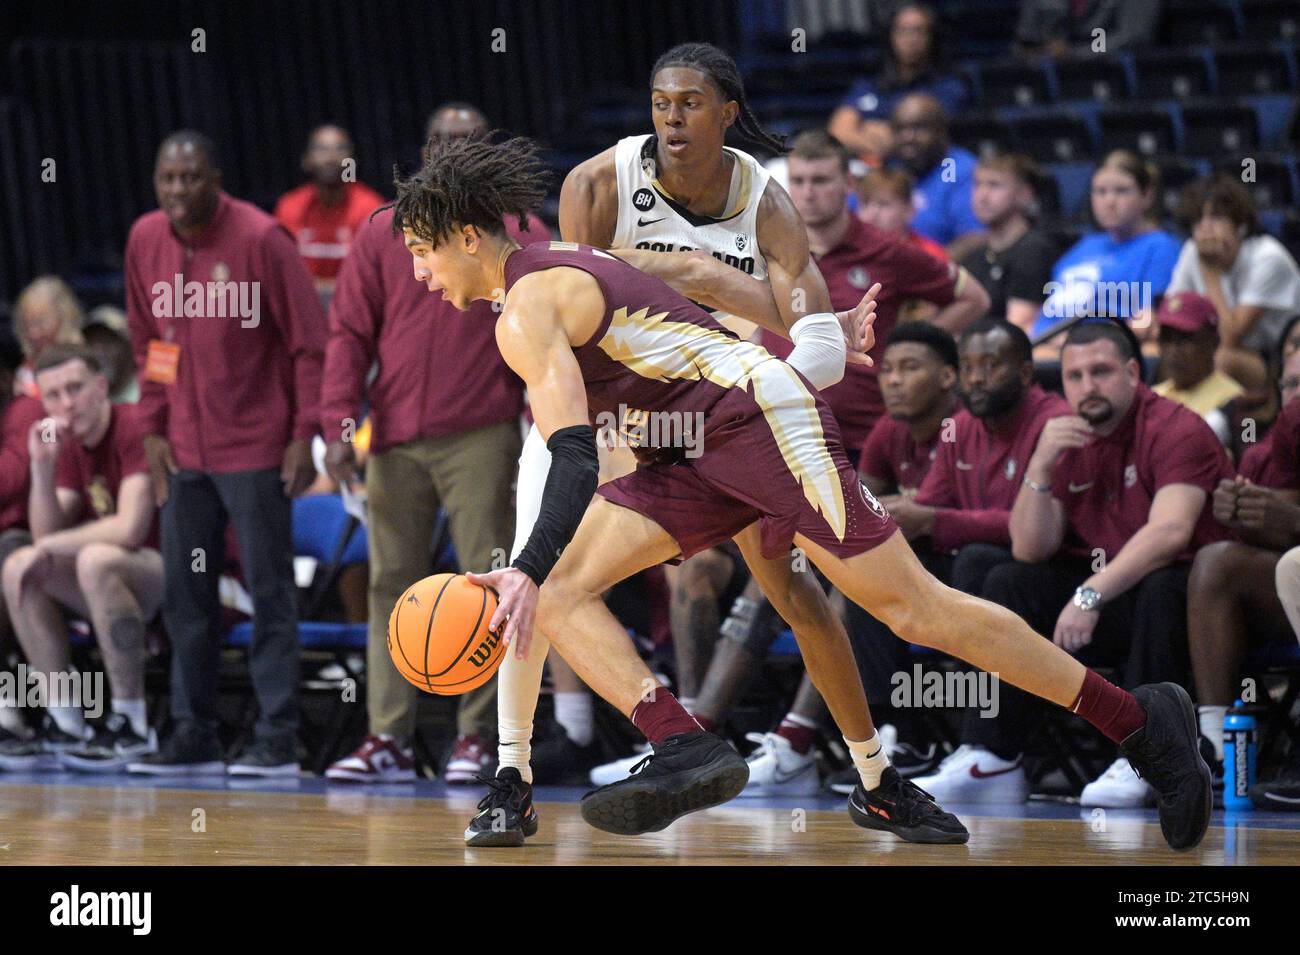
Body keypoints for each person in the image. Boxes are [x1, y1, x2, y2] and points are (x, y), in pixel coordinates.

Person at [398, 133, 1212, 852]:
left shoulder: (526, 307)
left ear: (467, 235)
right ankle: (690, 742)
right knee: (569, 590)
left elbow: (574, 455)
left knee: (913, 608)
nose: (418, 273)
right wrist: (813, 326)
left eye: (422, 253)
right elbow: (695, 280)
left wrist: (523, 564)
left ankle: (1138, 722)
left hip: (755, 421)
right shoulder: (571, 266)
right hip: (693, 448)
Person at [474, 42, 947, 843]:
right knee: (534, 566)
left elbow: (803, 333)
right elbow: (569, 297)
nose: (671, 118)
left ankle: (874, 776)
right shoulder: (597, 183)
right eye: (661, 103)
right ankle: (511, 775)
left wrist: (744, 294)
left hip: (728, 419)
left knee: (797, 594)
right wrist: (684, 275)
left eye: (689, 103)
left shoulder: (765, 198)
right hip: (600, 416)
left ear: (726, 110)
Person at [914, 321, 1230, 808]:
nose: (1087, 386)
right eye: (1075, 376)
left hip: (1190, 609)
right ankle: (993, 756)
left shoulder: (1177, 427)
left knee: (1163, 585)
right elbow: (1029, 548)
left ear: (1132, 372)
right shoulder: (1067, 438)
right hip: (1111, 600)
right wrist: (1040, 466)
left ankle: (1148, 751)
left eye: (1101, 372)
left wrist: (1089, 594)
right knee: (1005, 578)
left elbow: (1171, 533)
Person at [321, 103, 544, 785]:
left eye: (466, 142)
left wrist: (539, 412)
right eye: (442, 141)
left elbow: (546, 328)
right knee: (390, 581)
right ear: (425, 150)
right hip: (392, 435)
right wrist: (337, 421)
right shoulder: (383, 232)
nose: (451, 152)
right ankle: (387, 736)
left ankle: (479, 735)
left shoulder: (518, 233)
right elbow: (349, 334)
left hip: (481, 431)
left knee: (487, 580)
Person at [124, 131, 326, 778]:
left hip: (258, 447)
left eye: (190, 178)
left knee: (270, 592)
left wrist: (302, 433)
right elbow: (150, 344)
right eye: (167, 179)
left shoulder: (263, 238)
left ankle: (276, 735)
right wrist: (153, 427)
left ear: (215, 177)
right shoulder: (145, 240)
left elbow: (308, 346)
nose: (177, 191)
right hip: (184, 449)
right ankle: (193, 730)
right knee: (187, 595)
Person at [740, 322, 960, 796]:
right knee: (782, 571)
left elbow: (924, 511)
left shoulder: (961, 428)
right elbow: (862, 507)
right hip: (919, 558)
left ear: (947, 377)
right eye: (889, 370)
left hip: (960, 564)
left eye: (910, 368)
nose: (894, 380)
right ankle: (714, 732)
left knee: (854, 580)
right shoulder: (888, 431)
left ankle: (869, 734)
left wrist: (912, 513)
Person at [0, 345, 162, 772]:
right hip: (110, 584)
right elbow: (44, 538)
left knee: (95, 559)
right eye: (53, 396)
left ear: (102, 387)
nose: (66, 404)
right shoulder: (70, 443)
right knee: (19, 566)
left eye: (75, 389)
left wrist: (51, 546)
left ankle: (132, 721)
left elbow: (129, 528)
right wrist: (42, 469)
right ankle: (65, 721)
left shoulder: (132, 425)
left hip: (172, 575)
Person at [1187, 347, 1300, 786]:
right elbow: (1286, 523)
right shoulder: (1285, 430)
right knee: (1215, 563)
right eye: (1290, 384)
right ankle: (1213, 739)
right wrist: (1245, 514)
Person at [1033, 151, 1181, 344]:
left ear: (1147, 195)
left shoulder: (1161, 248)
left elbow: (1145, 324)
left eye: (1121, 191)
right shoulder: (1082, 248)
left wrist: (1072, 342)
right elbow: (1044, 324)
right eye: (1100, 191)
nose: (1109, 201)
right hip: (1053, 350)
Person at [1167, 175, 1300, 358]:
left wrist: (1211, 274)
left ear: (1240, 225)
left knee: (1221, 359)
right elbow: (1172, 312)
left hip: (1279, 357)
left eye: (1216, 218)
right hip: (1224, 348)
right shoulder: (1192, 249)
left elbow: (1229, 337)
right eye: (1198, 220)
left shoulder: (1268, 257)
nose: (1205, 227)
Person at [829, 2, 971, 163]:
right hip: (873, 176)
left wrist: (867, 129)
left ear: (932, 37)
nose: (911, 39)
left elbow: (925, 140)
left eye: (918, 31)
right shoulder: (869, 84)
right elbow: (838, 131)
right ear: (890, 36)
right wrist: (886, 141)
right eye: (902, 31)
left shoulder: (949, 86)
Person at [274, 124, 386, 300]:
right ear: (307, 159)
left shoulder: (371, 207)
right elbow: (281, 271)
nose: (331, 157)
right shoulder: (289, 206)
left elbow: (378, 275)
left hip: (356, 304)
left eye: (339, 149)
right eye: (322, 149)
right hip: (304, 303)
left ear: (352, 160)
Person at [0, 329, 46, 742]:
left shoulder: (26, 411)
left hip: (34, 543)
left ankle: (6, 704)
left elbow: (12, 480)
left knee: (8, 550)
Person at [959, 153, 1059, 333]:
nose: (982, 195)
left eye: (994, 185)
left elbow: (1017, 329)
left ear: (1024, 194)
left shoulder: (1034, 250)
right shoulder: (973, 256)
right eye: (977, 184)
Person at [885, 93, 984, 259]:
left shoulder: (956, 168)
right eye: (900, 129)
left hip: (938, 274)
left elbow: (976, 238)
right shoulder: (890, 166)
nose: (908, 137)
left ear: (941, 130)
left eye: (919, 128)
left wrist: (927, 268)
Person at [1151, 292, 1243, 446]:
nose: (1173, 350)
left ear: (1213, 343)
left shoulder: (1237, 402)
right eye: (1166, 338)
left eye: (1185, 339)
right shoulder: (1151, 397)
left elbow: (1250, 459)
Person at [11, 276, 85, 399]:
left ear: (64, 319)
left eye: (41, 323)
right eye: (27, 325)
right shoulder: (26, 368)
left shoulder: (84, 364)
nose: (33, 333)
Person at [857, 168, 948, 265]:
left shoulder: (930, 255)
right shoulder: (847, 253)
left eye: (883, 204)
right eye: (865, 203)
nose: (871, 214)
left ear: (909, 210)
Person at [1016, 0, 1161, 56]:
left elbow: (1131, 35)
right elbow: (1026, 38)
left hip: (1109, 67)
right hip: (1052, 69)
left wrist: (1073, 53)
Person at [81, 306, 139, 404]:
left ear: (127, 346)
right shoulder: (87, 397)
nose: (99, 352)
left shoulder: (147, 389)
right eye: (91, 344)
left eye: (106, 342)